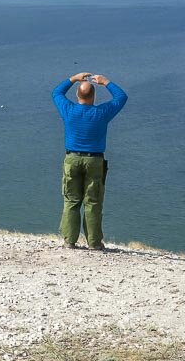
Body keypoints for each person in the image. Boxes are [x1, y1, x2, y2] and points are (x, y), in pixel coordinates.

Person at [52, 72, 128, 250]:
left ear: (78, 95)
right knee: (92, 201)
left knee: (71, 200)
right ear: (94, 96)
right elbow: (122, 97)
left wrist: (73, 78)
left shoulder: (68, 110)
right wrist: (106, 82)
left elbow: (56, 93)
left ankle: (69, 241)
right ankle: (94, 242)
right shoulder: (102, 112)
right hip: (94, 161)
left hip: (72, 158)